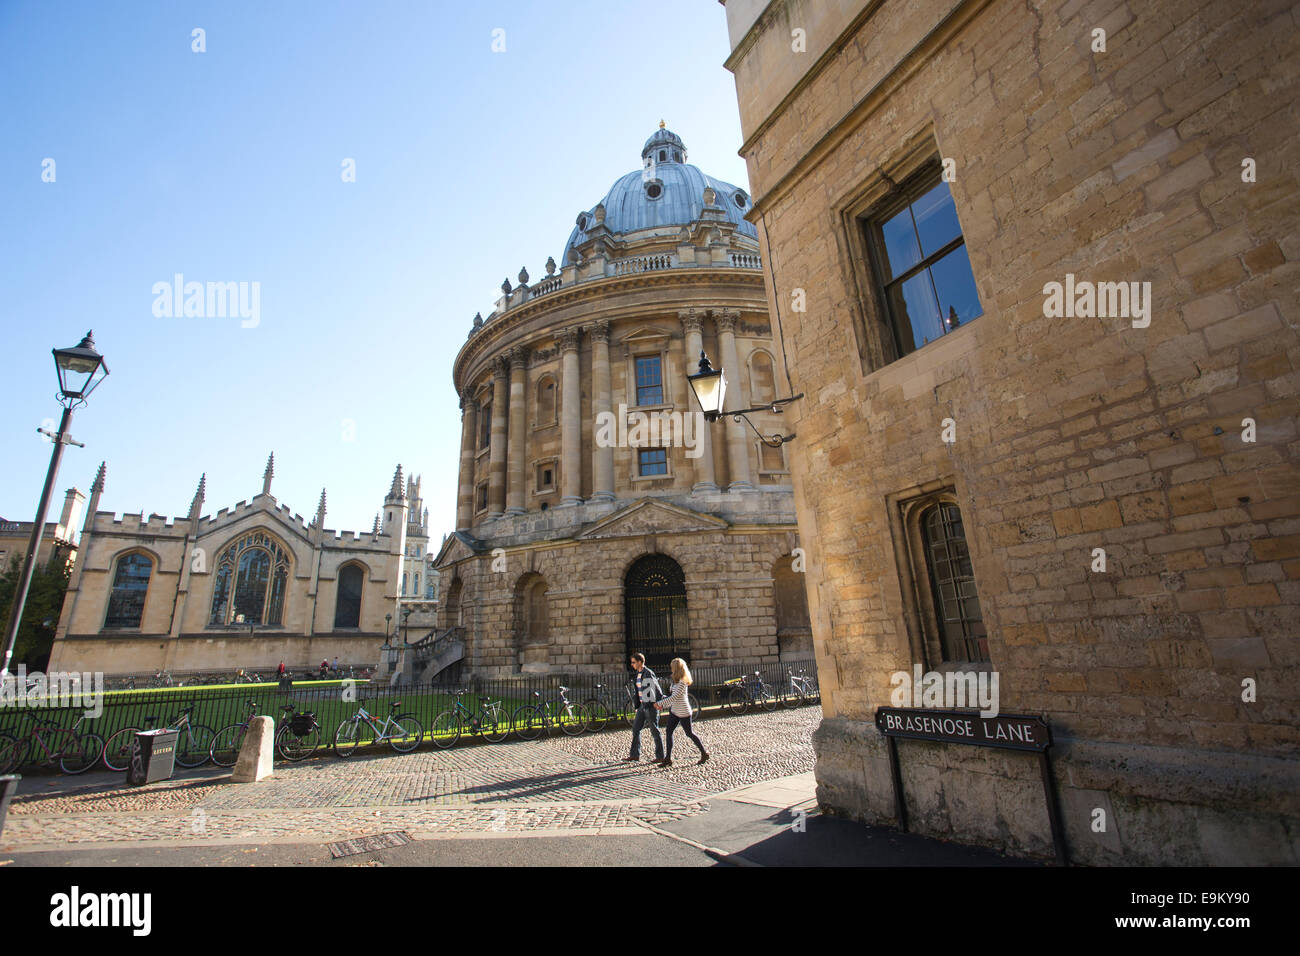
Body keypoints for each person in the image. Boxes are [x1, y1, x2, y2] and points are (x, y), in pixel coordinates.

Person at [655, 658, 709, 767]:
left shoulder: (682, 683)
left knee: (689, 733)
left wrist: (660, 704)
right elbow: (672, 698)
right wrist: (664, 705)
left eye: (672, 667)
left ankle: (704, 753)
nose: (671, 669)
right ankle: (668, 758)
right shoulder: (675, 681)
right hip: (675, 710)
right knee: (669, 732)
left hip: (683, 712)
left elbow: (674, 697)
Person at [622, 652, 664, 763]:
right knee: (636, 729)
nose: (632, 664)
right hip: (642, 706)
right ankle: (635, 754)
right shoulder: (638, 674)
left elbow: (656, 688)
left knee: (654, 730)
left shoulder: (648, 673)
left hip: (650, 706)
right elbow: (638, 691)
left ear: (640, 662)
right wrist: (637, 705)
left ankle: (660, 756)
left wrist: (658, 702)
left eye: (634, 662)